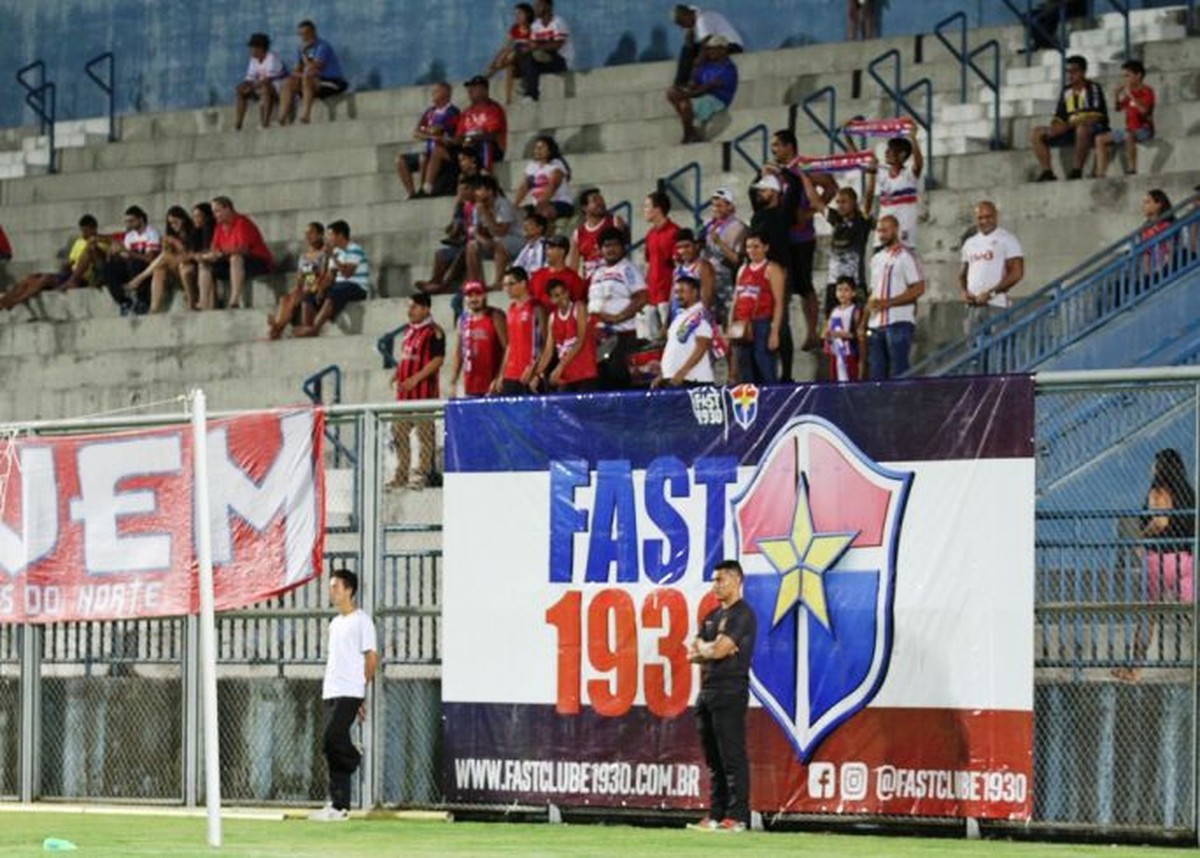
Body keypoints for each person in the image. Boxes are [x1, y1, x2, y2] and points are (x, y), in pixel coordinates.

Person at [1113, 449, 1196, 683]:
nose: (1151, 468)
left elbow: (1160, 521)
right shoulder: (1189, 494)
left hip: (1160, 560)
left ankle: (1135, 670)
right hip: (1185, 559)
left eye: (1154, 464)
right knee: (1191, 614)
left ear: (1161, 467)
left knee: (1148, 615)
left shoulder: (1159, 491)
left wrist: (1141, 538)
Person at [687, 560, 756, 834]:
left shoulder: (743, 615)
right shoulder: (711, 616)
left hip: (730, 691)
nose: (715, 585)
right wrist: (709, 648)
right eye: (714, 580)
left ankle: (737, 816)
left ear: (737, 580)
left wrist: (711, 649)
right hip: (707, 691)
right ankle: (716, 814)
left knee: (732, 756)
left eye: (720, 580)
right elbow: (693, 652)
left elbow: (717, 651)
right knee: (713, 758)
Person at [761, 129, 840, 364]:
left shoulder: (804, 167)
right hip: (781, 237)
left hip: (802, 237)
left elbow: (831, 186)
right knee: (781, 288)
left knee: (804, 286)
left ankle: (812, 332)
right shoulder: (775, 171)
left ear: (789, 146)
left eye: (777, 145)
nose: (773, 149)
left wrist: (810, 212)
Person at [309, 568, 376, 823]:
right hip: (331, 690)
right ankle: (339, 806)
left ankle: (353, 757)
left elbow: (371, 658)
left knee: (331, 739)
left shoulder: (362, 621)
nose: (332, 591)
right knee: (329, 747)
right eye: (331, 586)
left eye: (336, 586)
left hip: (350, 690)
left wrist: (360, 692)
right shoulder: (334, 623)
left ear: (349, 590)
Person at [390, 294, 445, 490]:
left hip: (423, 395)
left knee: (425, 437)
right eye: (409, 307)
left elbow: (438, 360)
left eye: (413, 307)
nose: (409, 311)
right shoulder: (409, 330)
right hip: (404, 396)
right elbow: (406, 357)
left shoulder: (434, 332)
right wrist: (397, 374)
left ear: (426, 309)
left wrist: (415, 379)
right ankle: (402, 474)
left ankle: (422, 475)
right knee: (398, 433)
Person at [0, 214, 111, 312]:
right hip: (69, 274)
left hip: (83, 278)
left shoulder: (102, 243)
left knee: (45, 279)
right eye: (82, 231)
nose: (84, 234)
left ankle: (15, 302)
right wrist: (66, 266)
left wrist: (94, 243)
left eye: (86, 231)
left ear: (94, 228)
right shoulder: (79, 242)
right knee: (31, 278)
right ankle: (4, 301)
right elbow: (71, 262)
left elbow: (100, 260)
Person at [801, 169, 874, 315]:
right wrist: (804, 177)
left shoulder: (861, 221)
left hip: (855, 284)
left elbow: (869, 195)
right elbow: (816, 201)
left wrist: (871, 174)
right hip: (834, 284)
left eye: (844, 202)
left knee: (856, 326)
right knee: (831, 322)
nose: (840, 205)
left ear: (854, 202)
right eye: (838, 202)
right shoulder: (836, 219)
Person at [1031, 54, 1109, 182]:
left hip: (1094, 128)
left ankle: (1077, 170)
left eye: (1074, 71)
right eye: (1067, 71)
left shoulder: (1093, 88)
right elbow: (1060, 115)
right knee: (1037, 132)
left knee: (1082, 128)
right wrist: (1056, 127)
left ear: (1083, 72)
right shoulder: (1066, 91)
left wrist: (1068, 125)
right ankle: (1047, 171)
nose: (1070, 75)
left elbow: (1095, 115)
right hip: (1070, 128)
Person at [865, 215, 925, 380]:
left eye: (885, 230)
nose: (882, 235)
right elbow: (873, 292)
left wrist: (888, 303)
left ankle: (901, 404)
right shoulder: (876, 259)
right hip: (875, 323)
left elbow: (919, 287)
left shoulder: (907, 256)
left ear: (896, 229)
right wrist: (863, 320)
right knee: (876, 372)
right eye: (879, 231)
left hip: (898, 321)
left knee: (898, 371)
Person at [588, 227, 648, 389]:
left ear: (622, 247)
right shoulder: (597, 273)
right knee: (601, 380)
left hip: (622, 336)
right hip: (599, 338)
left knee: (620, 380)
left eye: (615, 245)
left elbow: (642, 297)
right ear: (601, 249)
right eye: (606, 246)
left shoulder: (627, 269)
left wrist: (618, 317)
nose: (611, 249)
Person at [959, 201, 1024, 336]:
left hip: (997, 305)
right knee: (975, 352)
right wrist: (964, 291)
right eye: (980, 218)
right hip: (973, 307)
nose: (984, 221)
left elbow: (1017, 273)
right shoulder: (970, 243)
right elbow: (962, 273)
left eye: (988, 217)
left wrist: (991, 293)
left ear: (996, 216)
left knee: (998, 351)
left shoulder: (1007, 239)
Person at [295, 220, 369, 337]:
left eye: (330, 235)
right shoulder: (336, 252)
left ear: (340, 236)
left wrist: (332, 257)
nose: (328, 238)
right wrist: (320, 289)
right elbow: (330, 276)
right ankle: (307, 327)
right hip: (339, 287)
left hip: (356, 286)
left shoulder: (354, 249)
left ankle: (315, 328)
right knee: (309, 296)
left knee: (334, 292)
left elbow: (347, 273)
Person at [123, 205, 204, 313]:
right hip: (176, 272)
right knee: (159, 270)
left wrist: (176, 243)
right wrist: (167, 245)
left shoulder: (193, 232)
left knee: (172, 260)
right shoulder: (171, 235)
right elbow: (170, 256)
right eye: (171, 223)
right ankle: (154, 309)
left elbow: (190, 255)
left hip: (193, 270)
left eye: (176, 222)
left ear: (183, 219)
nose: (173, 225)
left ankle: (139, 278)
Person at [196, 196, 273, 309]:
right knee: (204, 263)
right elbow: (214, 249)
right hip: (232, 262)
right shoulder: (219, 227)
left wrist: (221, 253)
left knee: (235, 258)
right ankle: (203, 302)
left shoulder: (242, 223)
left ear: (228, 209)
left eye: (217, 211)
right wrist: (208, 256)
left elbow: (243, 249)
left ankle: (234, 300)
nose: (215, 215)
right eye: (213, 212)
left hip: (258, 261)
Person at [728, 231, 784, 385]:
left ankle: (772, 400)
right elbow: (735, 300)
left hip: (762, 323)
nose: (752, 251)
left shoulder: (772, 268)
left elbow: (779, 302)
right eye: (748, 247)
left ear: (766, 247)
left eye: (756, 247)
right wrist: (730, 325)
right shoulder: (742, 269)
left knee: (764, 363)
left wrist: (774, 331)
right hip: (742, 324)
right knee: (744, 366)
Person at [666, 36, 738, 144]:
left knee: (685, 104)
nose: (709, 52)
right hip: (703, 96)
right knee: (671, 92)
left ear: (722, 49)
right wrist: (696, 65)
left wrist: (687, 94)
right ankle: (692, 133)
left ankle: (687, 135)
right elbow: (693, 84)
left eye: (712, 49)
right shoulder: (706, 66)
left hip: (717, 100)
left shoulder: (728, 68)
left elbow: (707, 88)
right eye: (708, 49)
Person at [395, 82, 461, 199]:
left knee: (429, 154)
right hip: (429, 149)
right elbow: (416, 133)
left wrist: (427, 131)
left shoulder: (452, 112)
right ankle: (412, 193)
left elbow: (438, 130)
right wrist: (430, 135)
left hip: (446, 152)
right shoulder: (430, 111)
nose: (433, 93)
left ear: (446, 94)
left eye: (436, 91)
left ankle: (426, 187)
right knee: (400, 160)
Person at [534, 277, 598, 392]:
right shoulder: (552, 318)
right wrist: (536, 374)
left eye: (564, 292)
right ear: (551, 299)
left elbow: (580, 341)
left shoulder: (579, 307)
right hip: (566, 377)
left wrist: (560, 367)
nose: (563, 297)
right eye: (557, 295)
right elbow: (548, 351)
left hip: (585, 374)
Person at [278, 19, 348, 126]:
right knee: (288, 82)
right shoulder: (301, 48)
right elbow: (295, 71)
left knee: (307, 77)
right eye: (300, 34)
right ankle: (282, 117)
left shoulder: (322, 46)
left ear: (313, 32)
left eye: (306, 33)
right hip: (311, 83)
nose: (303, 37)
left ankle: (306, 115)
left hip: (331, 82)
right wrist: (299, 73)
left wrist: (304, 54)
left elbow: (314, 67)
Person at [268, 222, 328, 339]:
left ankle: (277, 327)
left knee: (301, 289)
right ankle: (277, 328)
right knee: (285, 298)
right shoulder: (304, 256)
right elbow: (300, 279)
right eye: (306, 233)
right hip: (306, 285)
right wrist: (296, 290)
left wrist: (308, 278)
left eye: (311, 233)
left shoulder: (324, 253)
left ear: (320, 235)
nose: (307, 236)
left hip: (317, 287)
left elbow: (323, 274)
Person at [1095, 60, 1155, 177]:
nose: (1124, 79)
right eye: (1124, 76)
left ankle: (1131, 169)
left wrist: (1131, 95)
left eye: (1127, 76)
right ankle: (1101, 171)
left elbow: (1144, 111)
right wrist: (1116, 95)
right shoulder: (1129, 93)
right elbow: (1118, 108)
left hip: (1144, 129)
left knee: (1129, 135)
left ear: (1138, 75)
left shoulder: (1147, 91)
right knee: (1100, 139)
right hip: (1130, 129)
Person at [654, 274, 714, 388]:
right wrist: (662, 374)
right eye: (676, 292)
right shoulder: (680, 316)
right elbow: (672, 348)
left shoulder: (700, 315)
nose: (678, 296)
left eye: (682, 291)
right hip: (675, 379)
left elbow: (702, 346)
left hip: (693, 380)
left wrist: (682, 372)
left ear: (695, 292)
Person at [466, 175, 524, 290]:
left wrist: (486, 215)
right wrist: (484, 241)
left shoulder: (504, 204)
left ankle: (498, 282)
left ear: (490, 191)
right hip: (495, 241)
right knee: (471, 246)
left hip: (517, 240)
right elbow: (476, 232)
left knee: (499, 242)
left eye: (479, 189)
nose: (476, 193)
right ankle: (476, 284)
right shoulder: (477, 207)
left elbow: (502, 232)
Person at [450, 280, 508, 397]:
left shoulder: (495, 315)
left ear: (485, 295)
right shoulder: (462, 319)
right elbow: (458, 352)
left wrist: (500, 376)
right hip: (470, 384)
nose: (474, 299)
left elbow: (508, 348)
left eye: (478, 294)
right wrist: (453, 380)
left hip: (493, 384)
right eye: (469, 295)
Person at [698, 187, 747, 324]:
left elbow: (737, 260)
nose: (715, 209)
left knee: (730, 321)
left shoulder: (739, 227)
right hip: (709, 282)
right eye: (713, 206)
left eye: (720, 205)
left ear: (730, 206)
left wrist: (719, 242)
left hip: (727, 284)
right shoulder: (709, 225)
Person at [495, 266, 546, 395]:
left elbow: (545, 344)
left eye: (511, 284)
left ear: (523, 283)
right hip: (510, 374)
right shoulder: (511, 309)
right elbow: (510, 345)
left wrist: (536, 371)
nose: (507, 289)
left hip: (528, 374)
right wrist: (501, 374)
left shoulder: (536, 307)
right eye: (505, 285)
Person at [103, 205, 161, 316]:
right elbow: (125, 256)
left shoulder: (151, 233)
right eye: (127, 222)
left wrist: (128, 252)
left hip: (146, 268)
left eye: (131, 221)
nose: (128, 224)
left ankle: (142, 300)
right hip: (131, 266)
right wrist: (115, 253)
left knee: (136, 262)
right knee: (108, 268)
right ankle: (124, 302)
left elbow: (150, 259)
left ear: (140, 219)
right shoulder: (130, 236)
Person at [871, 125, 923, 249]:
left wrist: (913, 139)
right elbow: (860, 160)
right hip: (882, 238)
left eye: (891, 150)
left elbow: (919, 164)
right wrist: (848, 136)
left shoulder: (909, 176)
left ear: (902, 155)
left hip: (904, 237)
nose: (886, 152)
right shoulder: (882, 173)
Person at [670, 5, 744, 88]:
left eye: (682, 23)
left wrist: (696, 63)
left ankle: (680, 83)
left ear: (687, 15)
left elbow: (706, 46)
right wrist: (689, 39)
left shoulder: (702, 20)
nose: (683, 27)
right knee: (688, 48)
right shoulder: (697, 17)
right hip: (721, 45)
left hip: (732, 47)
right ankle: (681, 82)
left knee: (688, 49)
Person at [445, 76, 508, 174]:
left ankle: (486, 175)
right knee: (444, 149)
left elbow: (491, 135)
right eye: (469, 88)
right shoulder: (466, 112)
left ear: (485, 90)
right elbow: (459, 136)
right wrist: (448, 140)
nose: (470, 91)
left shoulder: (494, 109)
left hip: (491, 147)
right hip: (468, 146)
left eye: (474, 88)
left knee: (484, 144)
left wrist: (470, 139)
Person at [517, 0, 573, 103]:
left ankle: (530, 90)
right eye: (535, 6)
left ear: (548, 6)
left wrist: (537, 46)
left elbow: (558, 44)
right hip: (542, 60)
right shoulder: (535, 25)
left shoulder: (558, 22)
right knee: (521, 49)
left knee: (535, 51)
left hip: (560, 61)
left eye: (539, 5)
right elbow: (531, 45)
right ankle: (531, 94)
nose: (535, 8)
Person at [642, 190, 679, 338]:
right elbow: (648, 263)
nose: (644, 210)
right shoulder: (650, 234)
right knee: (652, 337)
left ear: (657, 210)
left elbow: (678, 265)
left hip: (667, 292)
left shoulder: (674, 232)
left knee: (671, 335)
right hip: (652, 294)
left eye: (646, 206)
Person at [513, 135, 574, 223]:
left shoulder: (556, 164)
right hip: (538, 205)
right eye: (536, 147)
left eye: (541, 147)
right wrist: (515, 205)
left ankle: (547, 235)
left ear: (550, 150)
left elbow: (552, 186)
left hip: (559, 203)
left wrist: (540, 205)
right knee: (516, 214)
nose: (537, 150)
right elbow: (524, 187)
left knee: (545, 213)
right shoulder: (532, 165)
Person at [569, 188, 627, 280]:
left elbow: (622, 252)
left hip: (613, 278)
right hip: (590, 283)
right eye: (595, 200)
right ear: (584, 208)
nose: (600, 203)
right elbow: (573, 266)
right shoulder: (578, 233)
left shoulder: (614, 221)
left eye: (601, 199)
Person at [234, 33, 287, 131]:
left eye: (253, 48)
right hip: (259, 87)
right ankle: (238, 124)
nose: (251, 51)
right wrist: (244, 86)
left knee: (265, 89)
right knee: (240, 90)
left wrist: (252, 87)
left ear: (261, 48)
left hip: (277, 87)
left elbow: (268, 80)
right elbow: (249, 78)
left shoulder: (272, 57)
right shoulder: (253, 60)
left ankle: (265, 123)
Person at [485, 2, 535, 105]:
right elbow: (505, 47)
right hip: (514, 61)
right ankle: (508, 99)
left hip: (529, 63)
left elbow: (532, 48)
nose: (517, 16)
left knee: (516, 49)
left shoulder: (534, 28)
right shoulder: (515, 28)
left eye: (520, 13)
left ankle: (485, 77)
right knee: (509, 66)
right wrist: (494, 61)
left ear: (528, 14)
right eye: (515, 14)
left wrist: (501, 60)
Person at [823, 276, 864, 382]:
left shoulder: (855, 310)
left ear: (853, 293)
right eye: (839, 289)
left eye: (846, 290)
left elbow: (857, 335)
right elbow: (826, 332)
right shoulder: (834, 311)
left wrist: (839, 334)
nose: (842, 293)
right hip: (835, 354)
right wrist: (828, 335)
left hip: (849, 353)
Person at [530, 233, 586, 310]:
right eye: (546, 248)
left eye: (550, 248)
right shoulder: (537, 275)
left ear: (561, 251)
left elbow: (578, 308)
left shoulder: (573, 279)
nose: (546, 251)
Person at [671, 228, 716, 317]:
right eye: (679, 247)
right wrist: (666, 326)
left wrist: (696, 323)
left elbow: (706, 301)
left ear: (696, 246)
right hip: (678, 319)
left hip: (696, 320)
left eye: (687, 246)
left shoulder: (703, 267)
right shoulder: (677, 270)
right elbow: (672, 300)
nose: (683, 251)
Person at [1137, 188, 1176, 281]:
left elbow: (1169, 249)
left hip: (1166, 269)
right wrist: (1147, 275)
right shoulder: (1145, 228)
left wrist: (1165, 268)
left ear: (1158, 204)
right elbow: (1146, 253)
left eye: (1147, 202)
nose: (1143, 206)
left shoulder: (1168, 225)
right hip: (1151, 272)